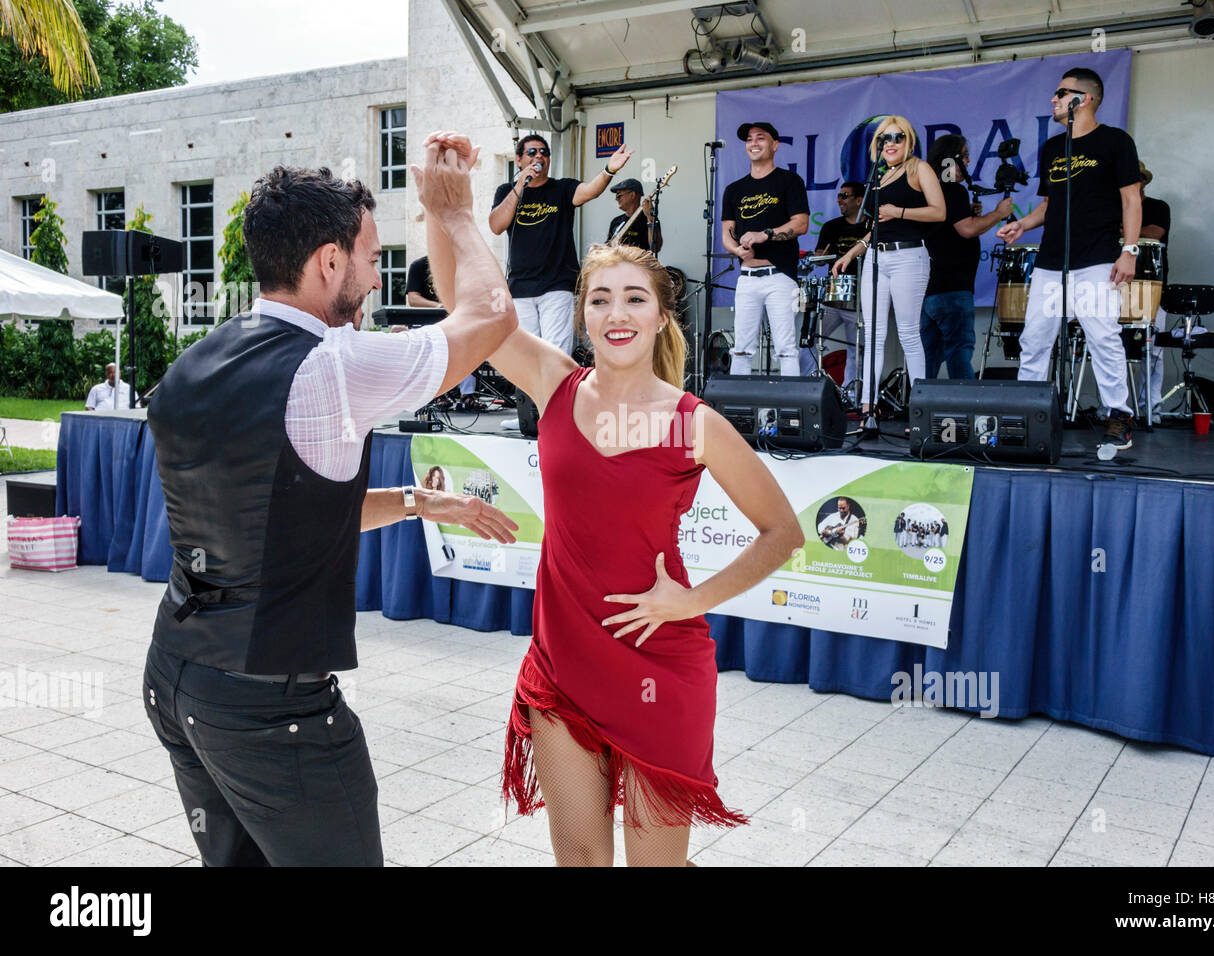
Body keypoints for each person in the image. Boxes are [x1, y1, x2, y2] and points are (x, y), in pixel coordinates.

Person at [140, 140, 520, 867]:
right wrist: (456, 213)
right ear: (329, 262)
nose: (378, 278)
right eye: (374, 259)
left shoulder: (196, 360)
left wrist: (409, 501)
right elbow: (492, 316)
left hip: (177, 676)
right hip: (267, 709)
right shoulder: (336, 366)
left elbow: (282, 512)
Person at [427, 133, 803, 865]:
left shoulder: (697, 424)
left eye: (634, 297)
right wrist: (449, 212)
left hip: (660, 660)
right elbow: (465, 307)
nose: (616, 311)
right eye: (600, 299)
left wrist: (691, 603)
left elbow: (782, 532)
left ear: (662, 316)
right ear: (584, 315)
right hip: (562, 668)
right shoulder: (553, 382)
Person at [997, 67, 1143, 456]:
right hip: (1050, 261)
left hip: (1096, 257)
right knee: (1035, 339)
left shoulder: (1114, 141)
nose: (1054, 99)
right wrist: (1022, 226)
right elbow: (1049, 204)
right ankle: (1026, 413)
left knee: (1102, 336)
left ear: (1085, 98)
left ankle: (1119, 415)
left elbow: (1132, 199)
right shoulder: (1051, 149)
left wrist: (1129, 251)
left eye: (1062, 93)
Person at [832, 116, 946, 413]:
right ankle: (868, 408)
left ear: (908, 141)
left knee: (909, 332)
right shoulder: (879, 176)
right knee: (873, 335)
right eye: (885, 138)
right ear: (876, 145)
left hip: (908, 255)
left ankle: (921, 409)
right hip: (876, 256)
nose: (891, 143)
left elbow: (939, 212)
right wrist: (854, 251)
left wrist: (899, 211)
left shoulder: (919, 168)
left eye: (898, 137)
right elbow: (877, 227)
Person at [490, 134, 633, 356]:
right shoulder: (506, 191)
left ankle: (554, 392)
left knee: (554, 355)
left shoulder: (561, 188)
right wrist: (520, 184)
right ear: (518, 160)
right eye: (532, 152)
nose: (539, 156)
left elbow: (590, 190)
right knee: (526, 355)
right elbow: (497, 225)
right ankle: (532, 393)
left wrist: (608, 170)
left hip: (556, 285)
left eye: (544, 152)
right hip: (520, 288)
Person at [920, 135, 1015, 380]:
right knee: (959, 350)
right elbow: (967, 229)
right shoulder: (953, 190)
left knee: (928, 355)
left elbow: (955, 225)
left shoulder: (930, 191)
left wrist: (970, 215)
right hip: (953, 288)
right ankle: (966, 408)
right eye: (963, 155)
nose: (968, 160)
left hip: (929, 288)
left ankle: (916, 407)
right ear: (949, 160)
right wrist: (999, 213)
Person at [721, 121, 810, 376]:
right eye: (749, 139)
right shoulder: (734, 189)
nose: (754, 143)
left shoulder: (789, 181)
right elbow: (727, 234)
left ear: (775, 145)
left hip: (780, 276)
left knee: (786, 348)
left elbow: (801, 224)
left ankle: (789, 412)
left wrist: (766, 234)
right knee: (741, 349)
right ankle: (740, 414)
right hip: (747, 278)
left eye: (760, 138)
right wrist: (737, 250)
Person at [802, 181, 869, 387]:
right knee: (809, 339)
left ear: (859, 200)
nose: (839, 199)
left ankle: (851, 393)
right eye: (839, 195)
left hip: (860, 293)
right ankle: (806, 385)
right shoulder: (831, 226)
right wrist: (819, 257)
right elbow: (820, 257)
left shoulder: (872, 226)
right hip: (833, 292)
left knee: (856, 348)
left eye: (845, 195)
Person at [405, 255, 483, 411]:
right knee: (437, 349)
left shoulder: (460, 266)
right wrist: (438, 306)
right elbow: (413, 298)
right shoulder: (419, 266)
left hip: (456, 321)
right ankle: (438, 394)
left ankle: (467, 394)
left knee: (469, 343)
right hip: (429, 324)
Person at [1137, 160, 1170, 421]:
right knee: (1112, 347)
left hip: (1152, 287)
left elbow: (1154, 233)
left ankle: (1151, 408)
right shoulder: (1110, 207)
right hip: (1116, 286)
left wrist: (1125, 229)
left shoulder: (1158, 207)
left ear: (1144, 181)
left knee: (1154, 351)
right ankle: (1113, 409)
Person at [605, 177, 662, 254]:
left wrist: (650, 218)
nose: (616, 199)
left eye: (619, 195)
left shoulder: (649, 219)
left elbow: (655, 249)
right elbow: (608, 247)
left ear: (632, 195)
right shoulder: (616, 221)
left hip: (639, 265)